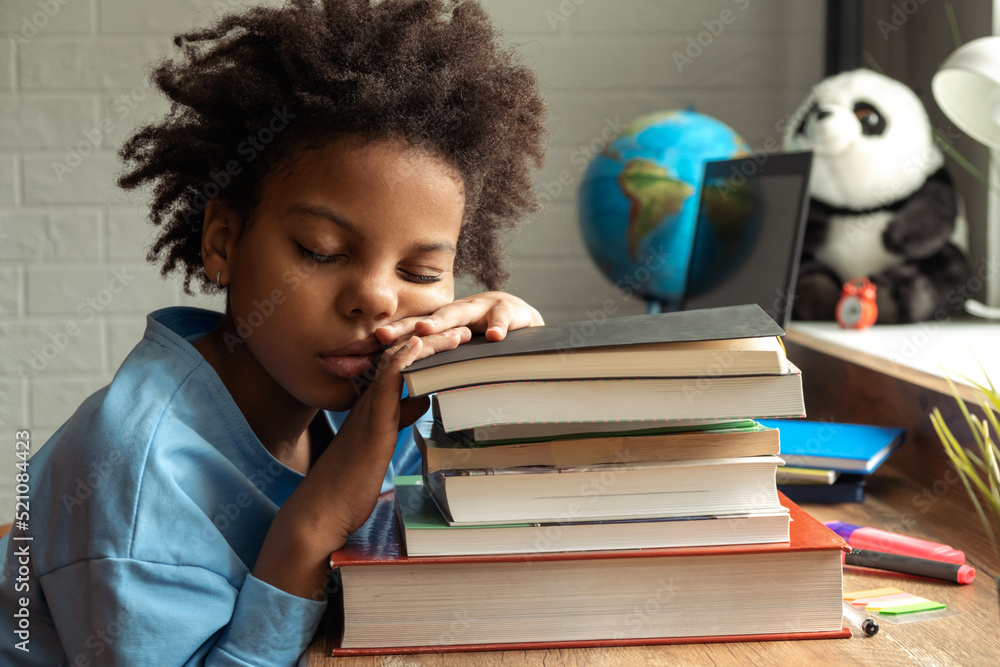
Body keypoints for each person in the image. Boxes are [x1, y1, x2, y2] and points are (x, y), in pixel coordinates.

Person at [0, 0, 546, 664]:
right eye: (320, 250)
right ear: (225, 241)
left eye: (422, 269)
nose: (376, 298)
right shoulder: (137, 469)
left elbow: (486, 511)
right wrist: (312, 525)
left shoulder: (369, 402)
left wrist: (503, 375)